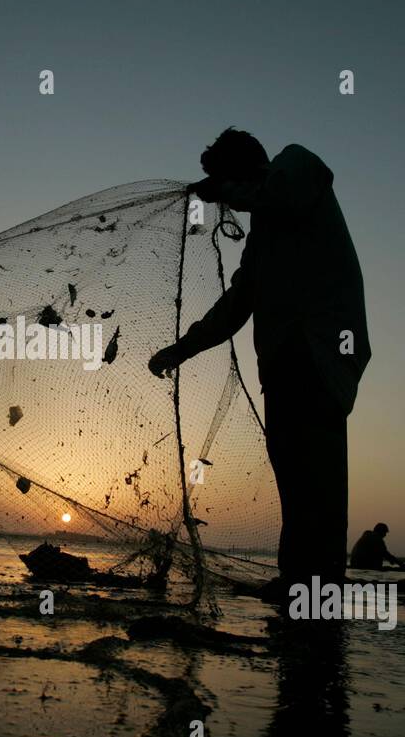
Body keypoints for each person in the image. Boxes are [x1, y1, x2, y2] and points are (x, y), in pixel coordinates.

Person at [148, 128, 371, 588]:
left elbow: (282, 195)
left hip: (319, 354)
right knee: (294, 481)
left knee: (318, 480)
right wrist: (180, 350)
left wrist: (225, 190)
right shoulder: (262, 238)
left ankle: (320, 587)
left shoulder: (298, 163)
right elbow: (236, 305)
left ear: (244, 168)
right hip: (284, 364)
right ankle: (299, 582)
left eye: (226, 179)